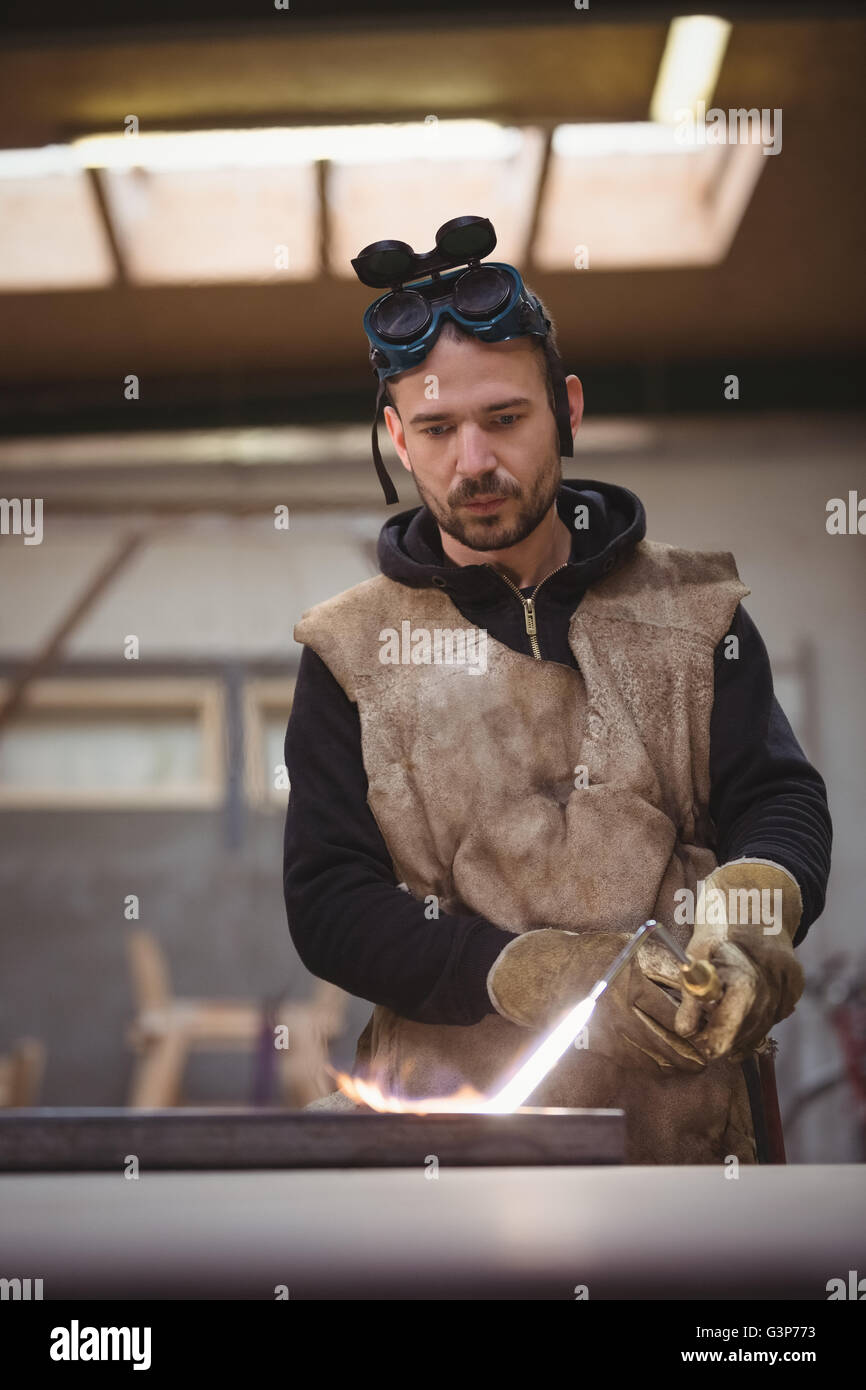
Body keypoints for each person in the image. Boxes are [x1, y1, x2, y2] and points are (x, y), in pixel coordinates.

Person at [283, 219, 832, 1163]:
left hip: (690, 1151)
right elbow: (332, 903)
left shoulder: (696, 616)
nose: (474, 462)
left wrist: (753, 911)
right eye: (438, 429)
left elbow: (778, 799)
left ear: (566, 408)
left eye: (505, 419)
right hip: (444, 1150)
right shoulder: (348, 653)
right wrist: (525, 972)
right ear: (396, 438)